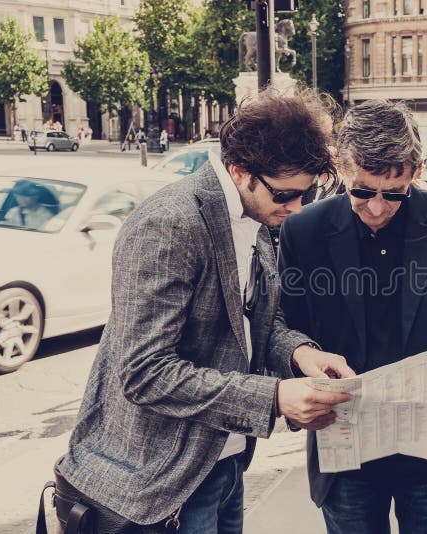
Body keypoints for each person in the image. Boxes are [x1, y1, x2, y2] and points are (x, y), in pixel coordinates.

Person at [54, 89, 355, 532]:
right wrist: (273, 398)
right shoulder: (170, 224)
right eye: (286, 195)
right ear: (239, 170)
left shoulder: (259, 216)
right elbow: (144, 372)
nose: (296, 210)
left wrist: (300, 354)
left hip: (225, 464)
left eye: (306, 195)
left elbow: (256, 323)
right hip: (160, 483)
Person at [279, 99, 427, 534]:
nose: (378, 207)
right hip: (344, 452)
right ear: (342, 166)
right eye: (362, 191)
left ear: (417, 169)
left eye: (394, 193)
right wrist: (298, 390)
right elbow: (287, 329)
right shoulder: (302, 230)